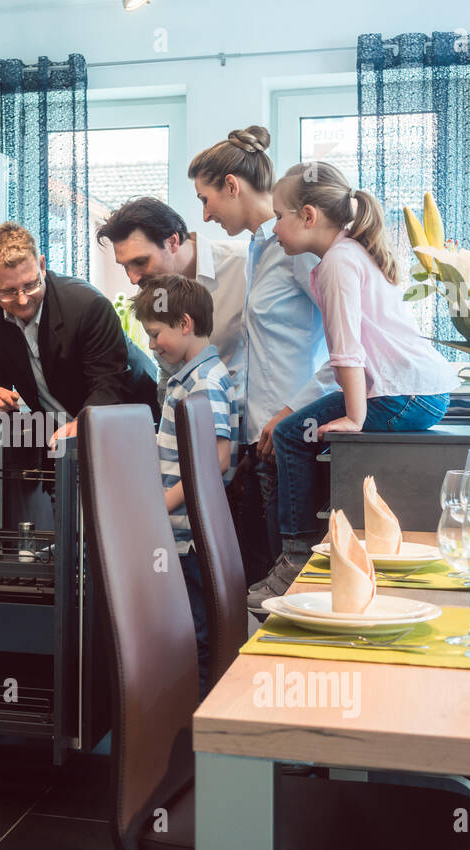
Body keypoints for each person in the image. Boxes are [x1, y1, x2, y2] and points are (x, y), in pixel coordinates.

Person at [250, 161, 457, 610]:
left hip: (402, 395)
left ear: (308, 216)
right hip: (419, 392)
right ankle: (313, 547)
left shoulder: (339, 263)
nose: (274, 229)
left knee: (289, 435)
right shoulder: (349, 254)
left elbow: (347, 351)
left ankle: (297, 558)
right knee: (298, 431)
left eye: (279, 217)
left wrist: (355, 416)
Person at [186, 126, 336, 586]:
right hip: (258, 442)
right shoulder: (256, 249)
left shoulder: (296, 248)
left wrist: (291, 411)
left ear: (232, 185)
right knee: (259, 586)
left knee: (290, 587)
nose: (205, 215)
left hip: (290, 435)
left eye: (206, 199)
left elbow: (344, 349)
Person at [134, 274, 238, 699]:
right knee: (186, 629)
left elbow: (217, 459)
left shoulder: (206, 383)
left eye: (156, 334)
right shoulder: (186, 378)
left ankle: (197, 727)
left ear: (184, 323)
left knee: (194, 634)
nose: (154, 344)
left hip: (190, 537)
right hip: (179, 534)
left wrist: (163, 503)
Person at [0, 221, 159, 442]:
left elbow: (109, 384)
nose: (22, 300)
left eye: (31, 285)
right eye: (9, 291)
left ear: (42, 265)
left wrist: (83, 424)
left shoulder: (87, 305)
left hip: (133, 420)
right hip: (60, 432)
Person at [95, 197, 247, 399]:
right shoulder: (151, 296)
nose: (133, 279)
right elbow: (168, 374)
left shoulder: (245, 267)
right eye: (125, 266)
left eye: (141, 261)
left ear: (173, 241)